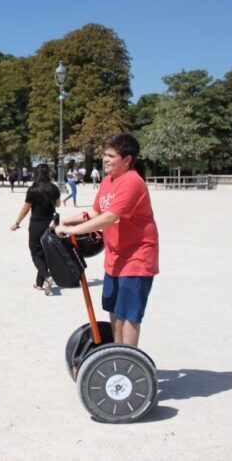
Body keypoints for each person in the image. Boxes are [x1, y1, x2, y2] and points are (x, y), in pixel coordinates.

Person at [55, 133, 159, 347]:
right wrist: (64, 223)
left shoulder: (132, 182)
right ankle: (116, 354)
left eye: (111, 155)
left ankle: (126, 359)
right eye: (104, 155)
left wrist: (71, 231)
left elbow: (111, 217)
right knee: (113, 310)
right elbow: (95, 213)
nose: (105, 159)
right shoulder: (107, 181)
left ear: (127, 159)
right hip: (115, 258)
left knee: (128, 315)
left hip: (136, 258)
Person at [10, 164, 61, 295]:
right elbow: (58, 204)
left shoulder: (33, 189)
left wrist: (17, 222)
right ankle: (39, 283)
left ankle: (47, 276)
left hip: (36, 224)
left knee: (36, 252)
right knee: (46, 252)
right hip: (51, 224)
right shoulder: (54, 188)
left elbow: (26, 208)